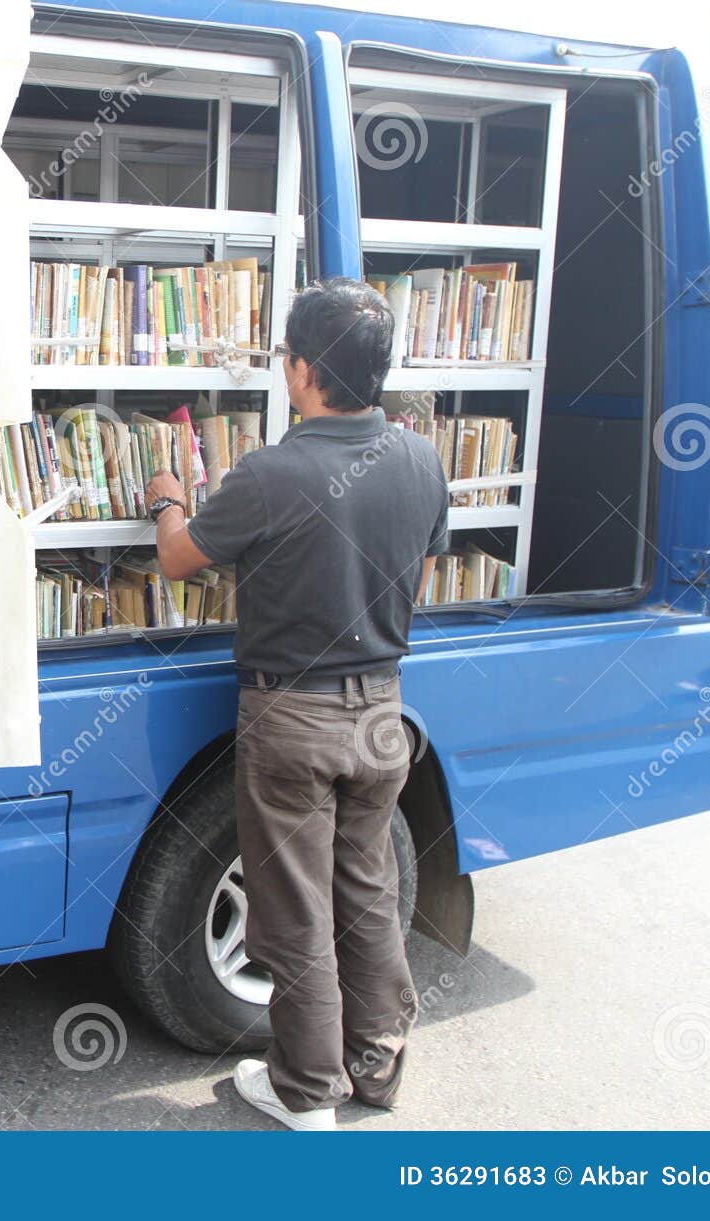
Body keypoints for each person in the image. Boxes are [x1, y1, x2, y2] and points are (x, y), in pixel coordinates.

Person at [145, 277, 449, 1132]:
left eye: (285, 355)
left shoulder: (270, 472)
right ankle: (377, 1068)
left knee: (294, 905)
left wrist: (169, 495)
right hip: (385, 710)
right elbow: (415, 576)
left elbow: (177, 561)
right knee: (367, 887)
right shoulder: (422, 457)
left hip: (293, 718)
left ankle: (305, 1090)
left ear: (305, 370)